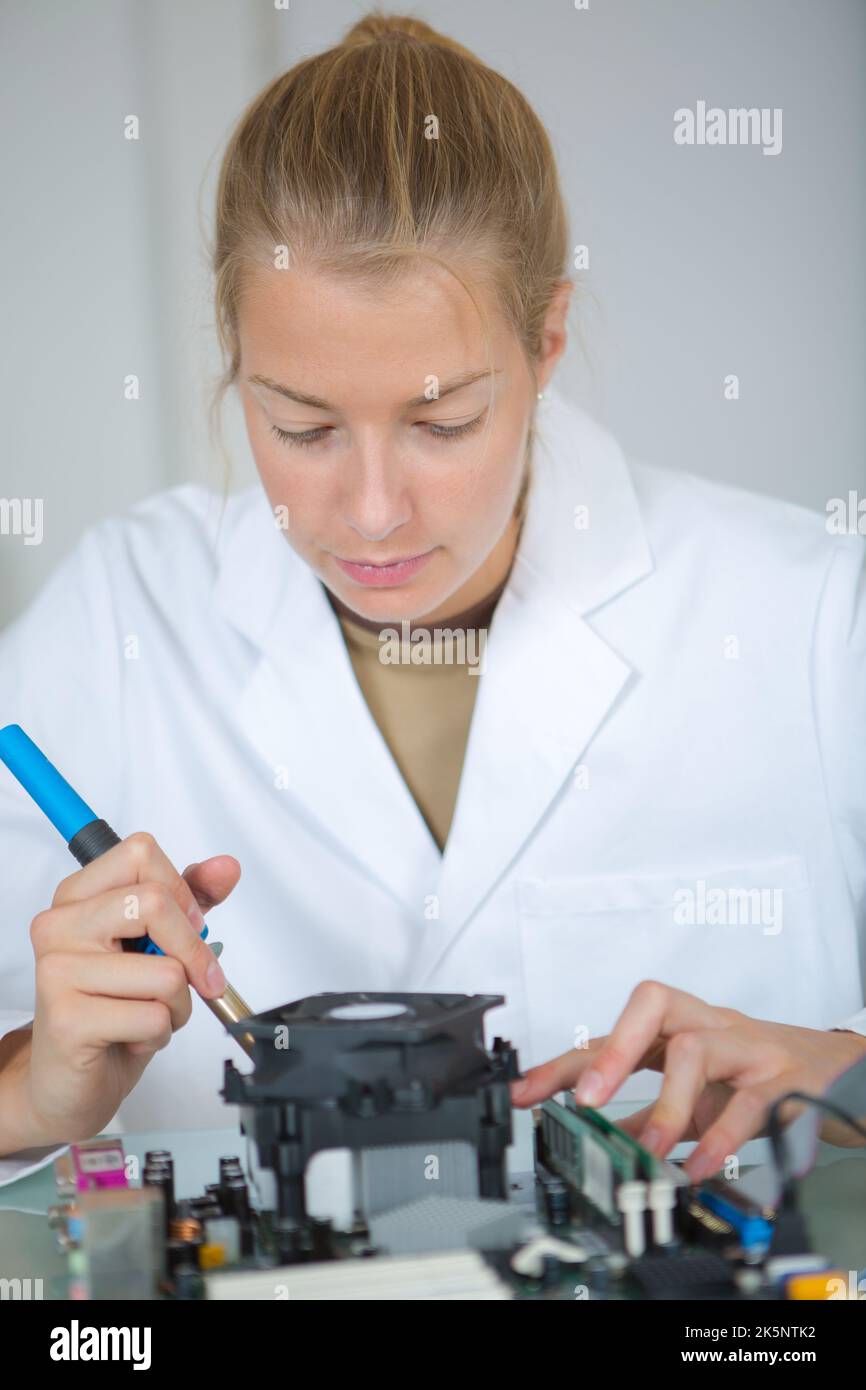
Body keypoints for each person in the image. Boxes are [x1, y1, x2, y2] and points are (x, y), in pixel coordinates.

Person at [1, 12, 864, 1188]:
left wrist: (842, 1074)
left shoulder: (807, 618)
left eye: (441, 423)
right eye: (298, 424)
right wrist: (30, 1090)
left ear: (546, 338)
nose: (366, 511)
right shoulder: (115, 616)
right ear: (233, 358)